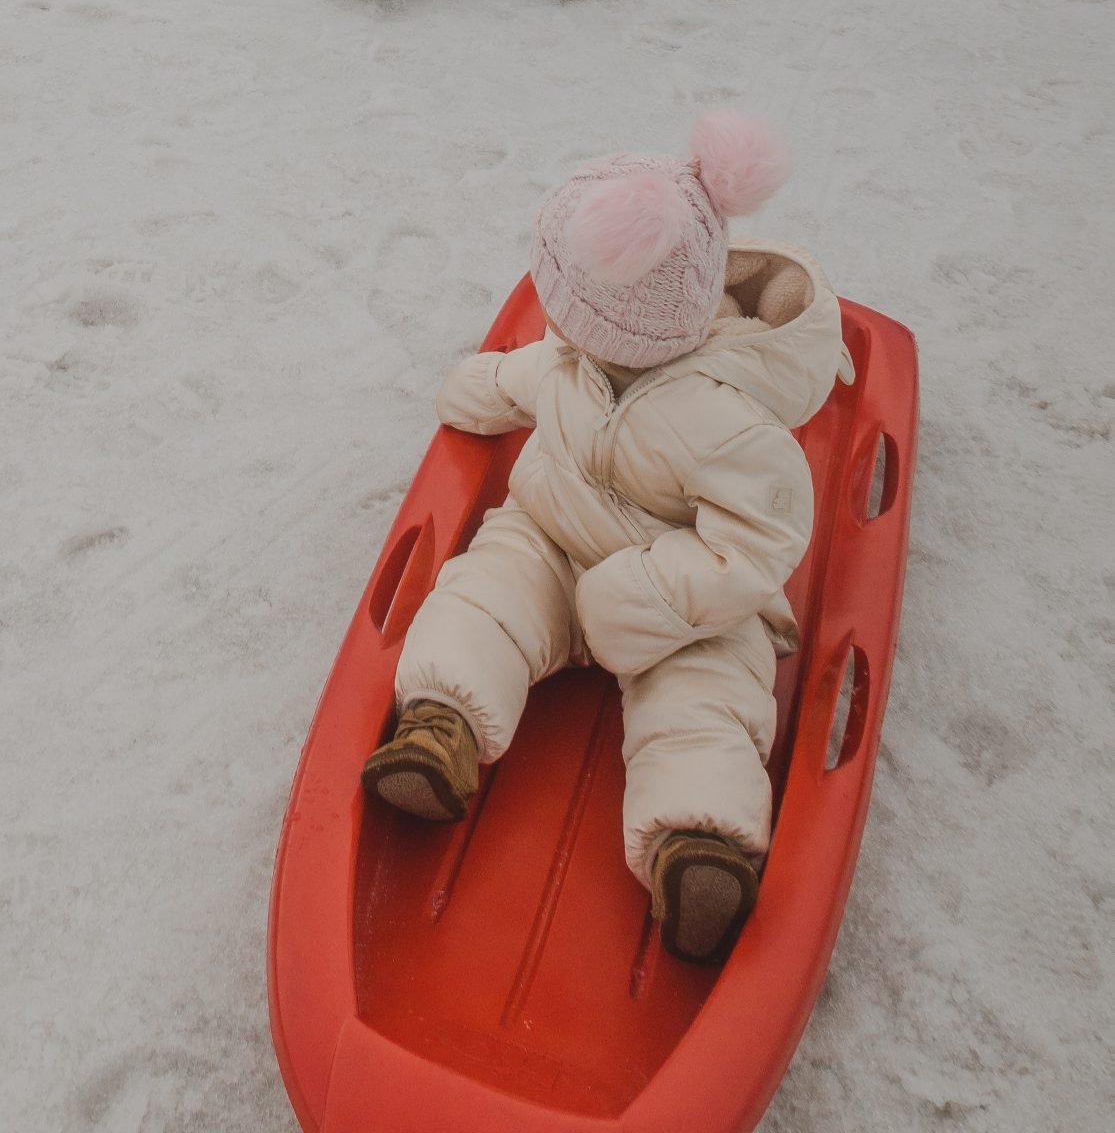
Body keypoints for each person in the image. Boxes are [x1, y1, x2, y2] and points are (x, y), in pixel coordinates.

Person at [360, 113, 848, 966]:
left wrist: (638, 597)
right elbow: (523, 379)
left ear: (604, 309)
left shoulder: (729, 424)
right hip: (550, 537)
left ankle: (697, 849)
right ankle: (441, 728)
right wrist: (470, 389)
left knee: (704, 700)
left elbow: (755, 542)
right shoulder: (575, 354)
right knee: (482, 595)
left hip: (682, 606)